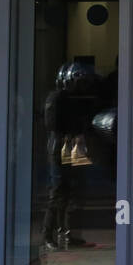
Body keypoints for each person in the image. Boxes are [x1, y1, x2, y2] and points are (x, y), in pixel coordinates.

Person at [41, 60, 99, 252]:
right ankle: (48, 235)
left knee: (73, 192)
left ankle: (67, 233)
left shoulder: (72, 99)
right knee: (57, 192)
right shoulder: (56, 98)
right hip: (61, 147)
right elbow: (54, 125)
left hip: (71, 146)